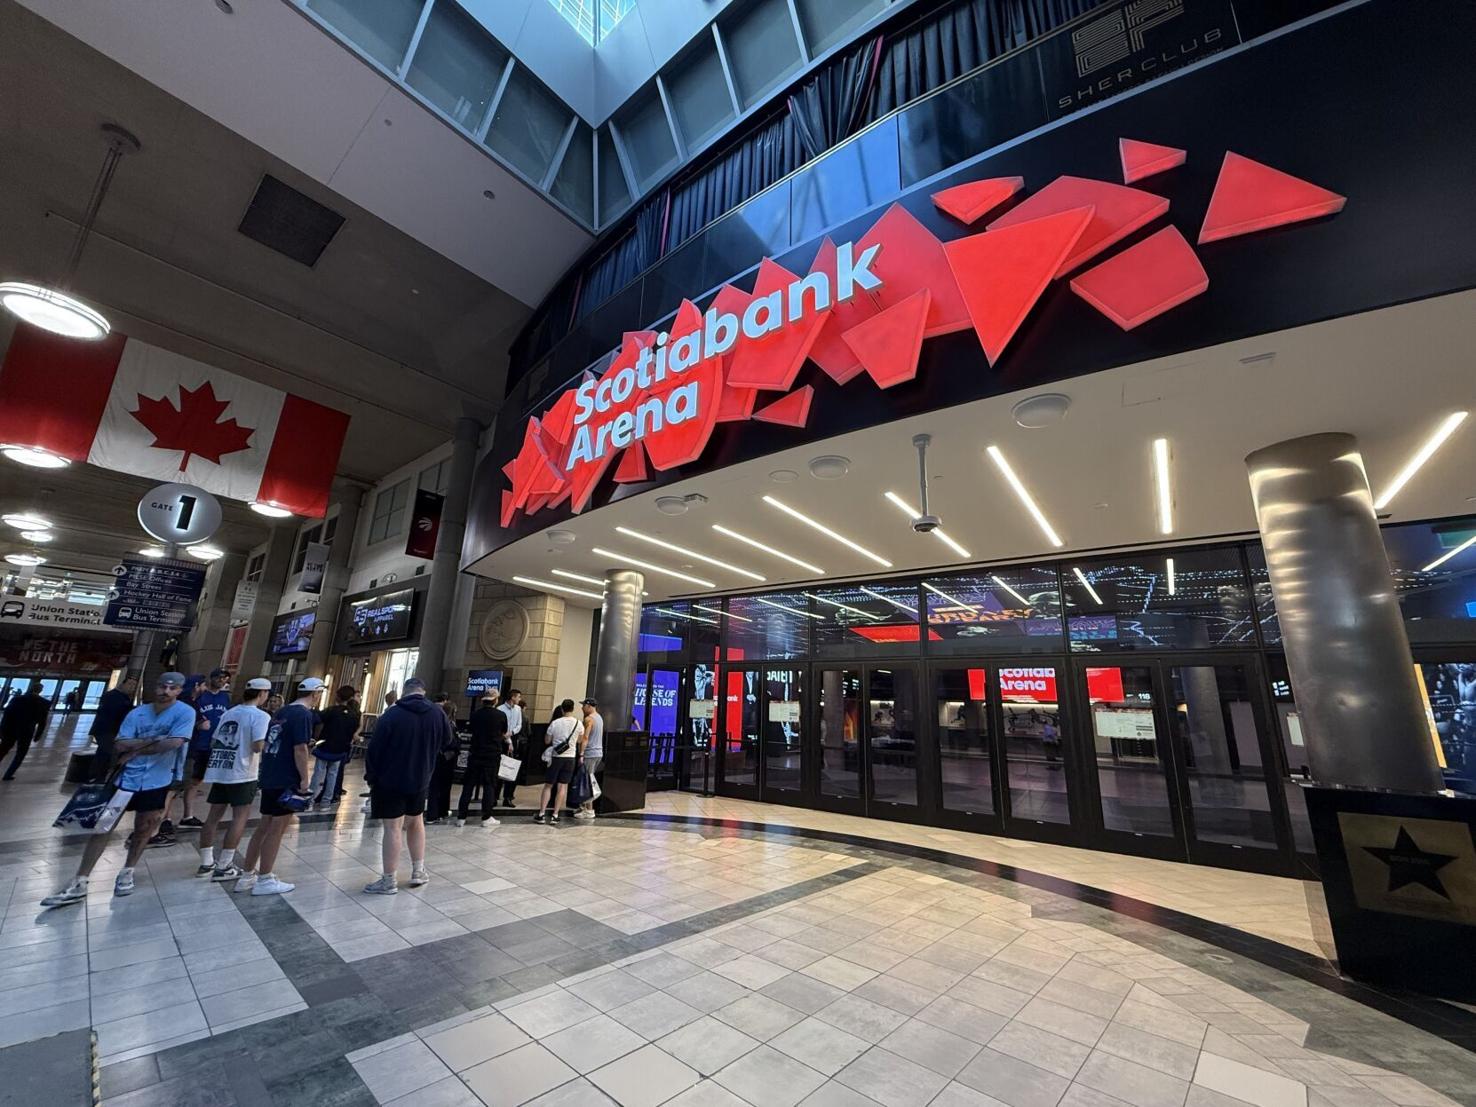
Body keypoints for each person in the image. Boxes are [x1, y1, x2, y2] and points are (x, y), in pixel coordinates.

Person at [40, 673, 195, 906]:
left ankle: (127, 871)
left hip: (158, 779)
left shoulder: (185, 712)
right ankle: (81, 879)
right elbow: (121, 743)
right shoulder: (137, 713)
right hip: (126, 778)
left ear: (179, 690)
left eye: (172, 688)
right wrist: (155, 740)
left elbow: (173, 743)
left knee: (145, 827)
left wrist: (138, 746)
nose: (166, 691)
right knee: (103, 827)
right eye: (162, 686)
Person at [362, 676, 451, 894]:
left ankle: (389, 880)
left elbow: (374, 750)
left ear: (404, 692)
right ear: (423, 692)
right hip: (421, 778)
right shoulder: (437, 713)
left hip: (390, 779)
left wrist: (372, 778)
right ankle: (418, 871)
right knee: (416, 822)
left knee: (392, 827)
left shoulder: (391, 715)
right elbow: (447, 740)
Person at [235, 677, 322, 896]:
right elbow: (300, 748)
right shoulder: (303, 714)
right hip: (286, 777)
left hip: (272, 773)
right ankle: (264, 878)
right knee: (277, 828)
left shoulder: (282, 712)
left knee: (265, 825)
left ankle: (247, 875)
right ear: (316, 693)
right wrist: (304, 778)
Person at [195, 678, 272, 881]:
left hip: (222, 768)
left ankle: (205, 862)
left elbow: (214, 740)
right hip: (243, 771)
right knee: (240, 816)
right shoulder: (261, 716)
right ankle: (225, 864)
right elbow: (257, 746)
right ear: (263, 694)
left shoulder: (230, 712)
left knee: (213, 816)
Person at [171, 669, 232, 832]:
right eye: (219, 677)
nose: (222, 681)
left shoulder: (225, 697)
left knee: (195, 781)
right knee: (177, 784)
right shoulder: (197, 697)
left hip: (210, 745)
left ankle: (188, 815)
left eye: (225, 679)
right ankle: (165, 818)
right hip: (192, 744)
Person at [456, 691, 505, 828]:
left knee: (468, 785)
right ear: (495, 700)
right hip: (491, 755)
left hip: (475, 754)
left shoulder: (475, 715)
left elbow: (470, 730)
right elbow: (503, 731)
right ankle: (486, 816)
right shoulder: (500, 715)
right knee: (489, 785)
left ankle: (461, 816)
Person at [534, 699, 582, 826]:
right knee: (562, 786)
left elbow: (547, 740)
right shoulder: (578, 723)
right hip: (570, 758)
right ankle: (555, 815)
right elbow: (579, 741)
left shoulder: (555, 723)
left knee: (548, 785)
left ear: (562, 709)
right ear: (573, 709)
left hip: (556, 757)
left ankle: (542, 813)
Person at [310, 686, 359, 807]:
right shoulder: (353, 715)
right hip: (340, 748)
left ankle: (309, 800)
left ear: (337, 696)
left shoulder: (331, 710)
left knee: (318, 773)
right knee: (333, 774)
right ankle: (326, 801)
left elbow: (317, 719)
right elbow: (352, 731)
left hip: (325, 746)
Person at [89, 676, 137, 781]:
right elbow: (115, 713)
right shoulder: (112, 696)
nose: (132, 688)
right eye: (130, 684)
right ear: (122, 684)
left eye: (134, 686)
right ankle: (97, 777)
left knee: (104, 753)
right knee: (107, 753)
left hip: (111, 730)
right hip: (106, 730)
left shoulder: (123, 697)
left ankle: (98, 776)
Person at [0, 680, 50, 780]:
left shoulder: (17, 699)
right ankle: (8, 775)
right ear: (40, 691)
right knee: (20, 754)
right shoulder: (44, 703)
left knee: (3, 749)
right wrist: (38, 735)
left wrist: (1, 729)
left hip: (10, 729)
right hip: (27, 731)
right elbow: (42, 721)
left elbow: (7, 714)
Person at [425, 694, 459, 824]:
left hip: (437, 757)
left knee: (436, 786)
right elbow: (451, 742)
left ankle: (437, 812)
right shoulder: (449, 725)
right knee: (442, 786)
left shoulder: (437, 723)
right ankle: (437, 813)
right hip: (445, 759)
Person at [575, 698, 603, 821]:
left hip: (590, 753)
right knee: (589, 779)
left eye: (583, 706)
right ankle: (585, 807)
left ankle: (589, 810)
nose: (582, 708)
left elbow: (585, 738)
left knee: (587, 782)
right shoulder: (599, 718)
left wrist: (581, 753)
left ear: (589, 706)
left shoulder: (589, 719)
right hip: (598, 753)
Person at [496, 689, 525, 807]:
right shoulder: (500, 709)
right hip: (502, 740)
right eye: (518, 697)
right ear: (512, 697)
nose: (519, 699)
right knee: (499, 769)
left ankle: (508, 796)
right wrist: (506, 737)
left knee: (512, 769)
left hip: (514, 739)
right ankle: (494, 795)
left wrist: (511, 733)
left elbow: (519, 724)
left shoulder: (518, 709)